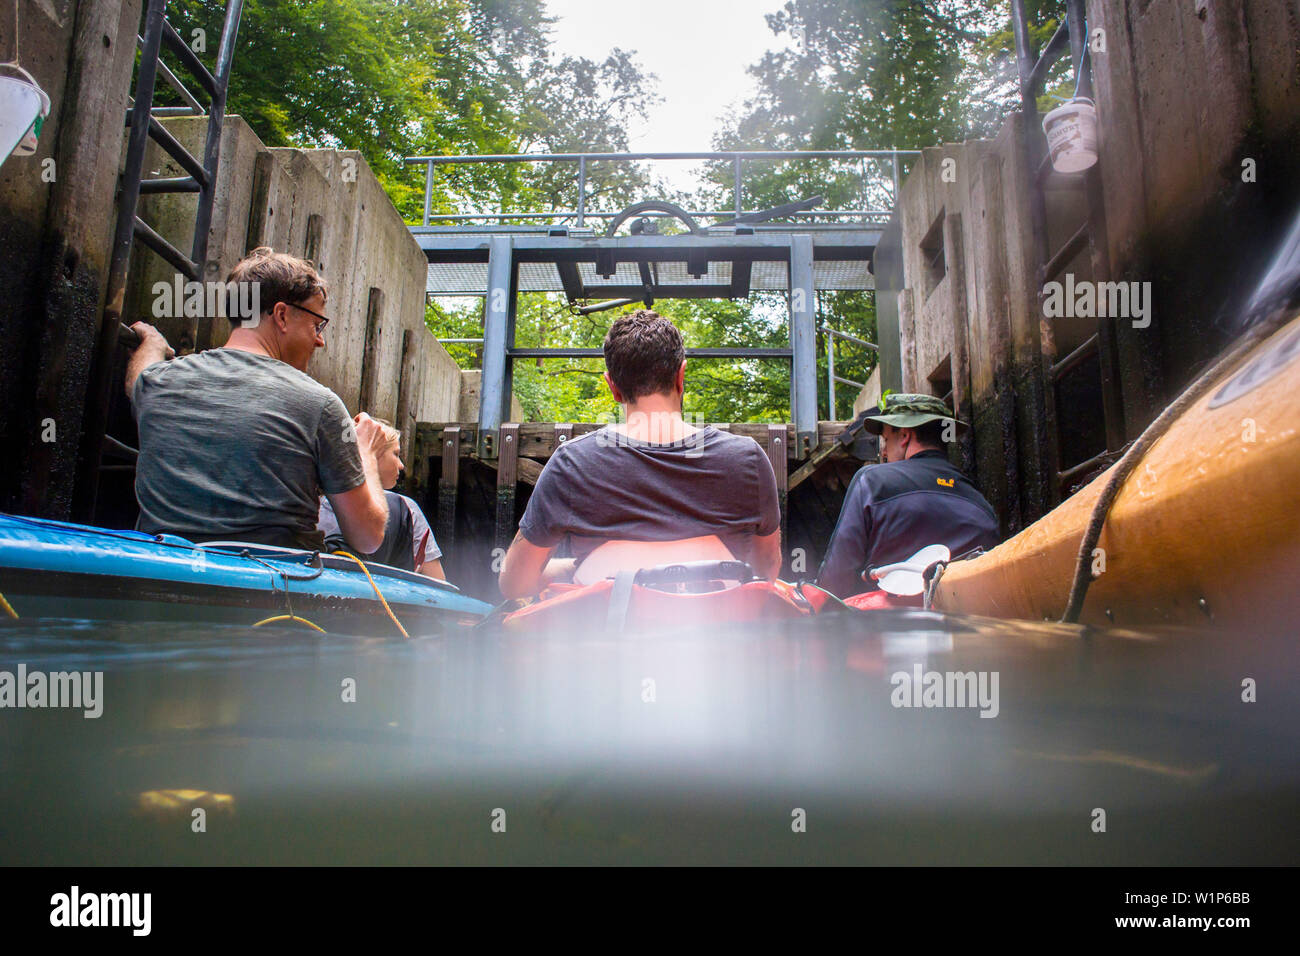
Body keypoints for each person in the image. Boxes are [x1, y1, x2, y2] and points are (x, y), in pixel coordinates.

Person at [498, 309, 782, 600]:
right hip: (722, 640)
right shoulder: (749, 461)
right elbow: (765, 573)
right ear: (681, 376)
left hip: (604, 641)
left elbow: (514, 584)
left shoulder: (570, 464)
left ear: (613, 387)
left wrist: (580, 567)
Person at [125, 247, 389, 553]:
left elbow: (137, 378)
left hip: (161, 566)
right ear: (281, 315)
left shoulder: (158, 382)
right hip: (272, 580)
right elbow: (368, 537)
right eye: (316, 325)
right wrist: (366, 453)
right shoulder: (321, 405)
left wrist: (152, 342)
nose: (320, 339)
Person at [816, 393, 999, 599]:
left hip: (884, 625)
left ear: (904, 436)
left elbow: (836, 578)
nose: (883, 452)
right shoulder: (983, 508)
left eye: (886, 440)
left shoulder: (871, 482)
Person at [317, 418, 445, 579]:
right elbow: (437, 581)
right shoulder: (405, 507)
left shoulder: (315, 506)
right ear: (374, 454)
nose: (401, 465)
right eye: (396, 454)